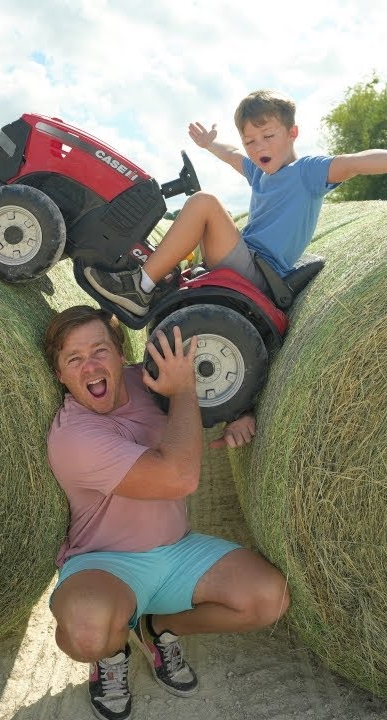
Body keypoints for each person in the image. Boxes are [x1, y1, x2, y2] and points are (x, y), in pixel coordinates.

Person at [44, 305, 289, 720]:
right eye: (74, 359)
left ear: (123, 355)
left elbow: (207, 406)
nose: (90, 366)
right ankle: (111, 654)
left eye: (99, 350)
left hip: (178, 552)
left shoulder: (147, 381)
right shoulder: (74, 437)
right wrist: (184, 391)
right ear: (61, 376)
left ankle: (158, 627)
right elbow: (180, 478)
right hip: (104, 564)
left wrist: (237, 418)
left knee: (270, 598)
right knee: (88, 633)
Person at [84, 89, 387, 316]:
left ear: (291, 132)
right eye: (252, 141)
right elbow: (233, 154)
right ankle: (156, 269)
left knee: (202, 203)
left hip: (259, 273)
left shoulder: (307, 172)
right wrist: (209, 145)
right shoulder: (261, 172)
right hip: (243, 257)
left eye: (268, 136)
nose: (259, 147)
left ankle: (140, 287)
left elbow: (356, 162)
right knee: (200, 206)